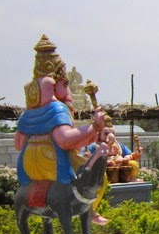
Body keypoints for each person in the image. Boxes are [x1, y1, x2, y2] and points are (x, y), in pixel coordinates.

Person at [15, 34, 106, 186]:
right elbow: (65, 141)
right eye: (65, 85)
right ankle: (89, 210)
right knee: (96, 180)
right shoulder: (56, 109)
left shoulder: (26, 116)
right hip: (54, 168)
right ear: (52, 84)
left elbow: (18, 144)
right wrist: (94, 126)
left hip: (28, 171)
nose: (68, 89)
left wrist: (90, 134)